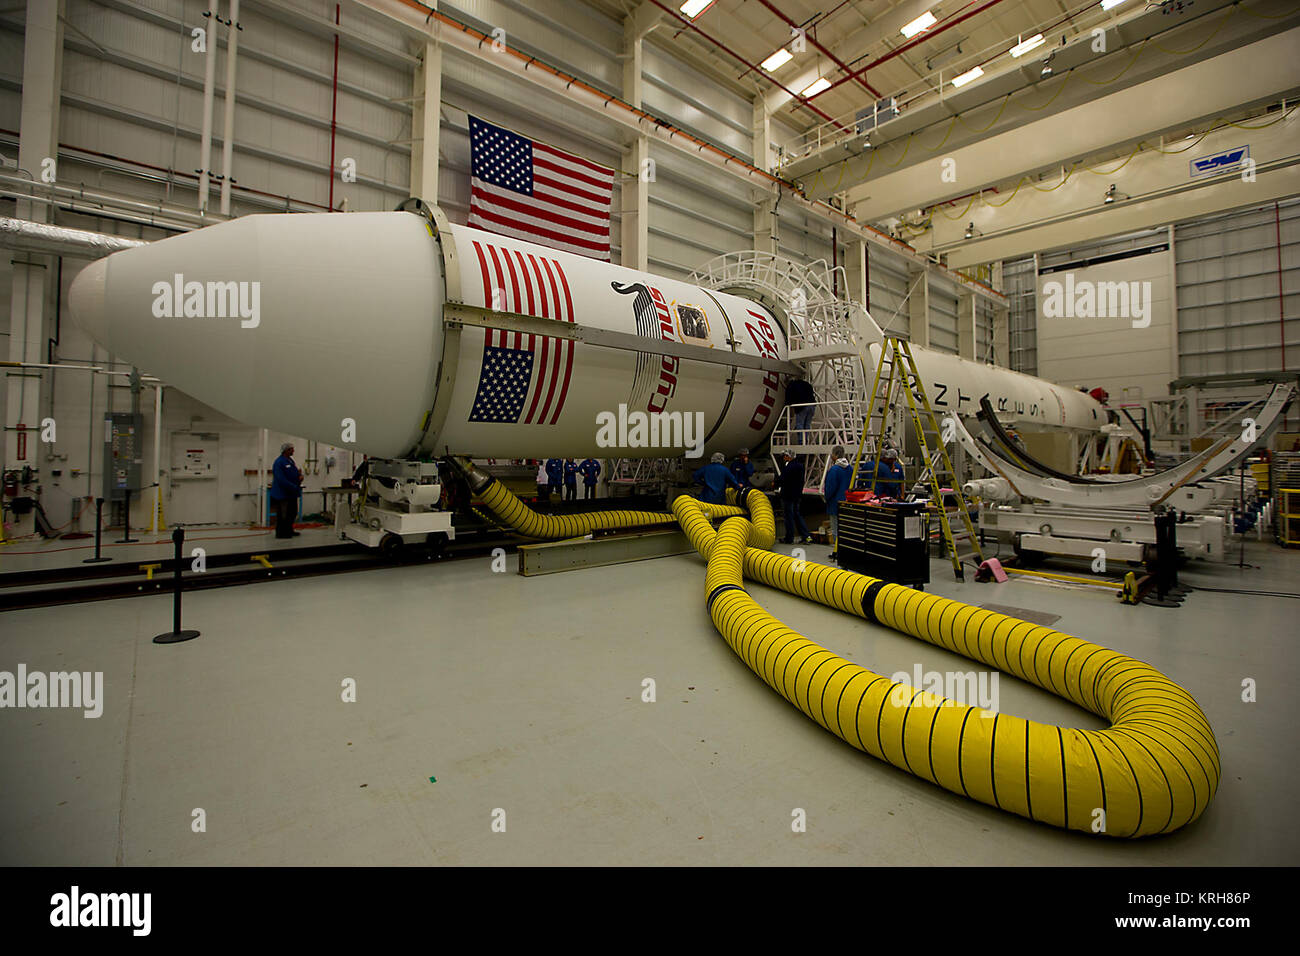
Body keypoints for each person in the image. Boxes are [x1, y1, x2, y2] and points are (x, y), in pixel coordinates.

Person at [270, 441, 303, 538]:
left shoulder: (290, 461)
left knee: (292, 513)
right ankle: (281, 533)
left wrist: (299, 477)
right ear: (286, 450)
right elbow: (281, 479)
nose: (293, 451)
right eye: (291, 449)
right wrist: (292, 486)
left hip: (291, 493)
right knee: (283, 514)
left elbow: (294, 472)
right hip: (283, 494)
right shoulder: (279, 462)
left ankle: (289, 530)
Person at [823, 449, 852, 558]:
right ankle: (846, 550)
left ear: (835, 455)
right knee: (845, 528)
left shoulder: (834, 470)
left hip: (835, 503)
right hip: (848, 502)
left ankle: (837, 551)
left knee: (835, 529)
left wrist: (826, 498)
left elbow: (830, 488)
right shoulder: (850, 469)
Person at [777, 450, 811, 545]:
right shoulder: (800, 466)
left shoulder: (789, 467)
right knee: (797, 515)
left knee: (789, 517)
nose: (784, 458)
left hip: (788, 495)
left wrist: (775, 484)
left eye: (785, 456)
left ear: (788, 456)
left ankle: (789, 538)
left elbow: (783, 479)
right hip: (797, 495)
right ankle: (806, 536)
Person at [786, 378, 816, 444]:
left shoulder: (791, 385)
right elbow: (812, 392)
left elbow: (788, 398)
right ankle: (805, 440)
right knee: (807, 425)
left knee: (800, 424)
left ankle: (801, 441)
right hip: (812, 405)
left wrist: (789, 404)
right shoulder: (806, 384)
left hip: (802, 406)